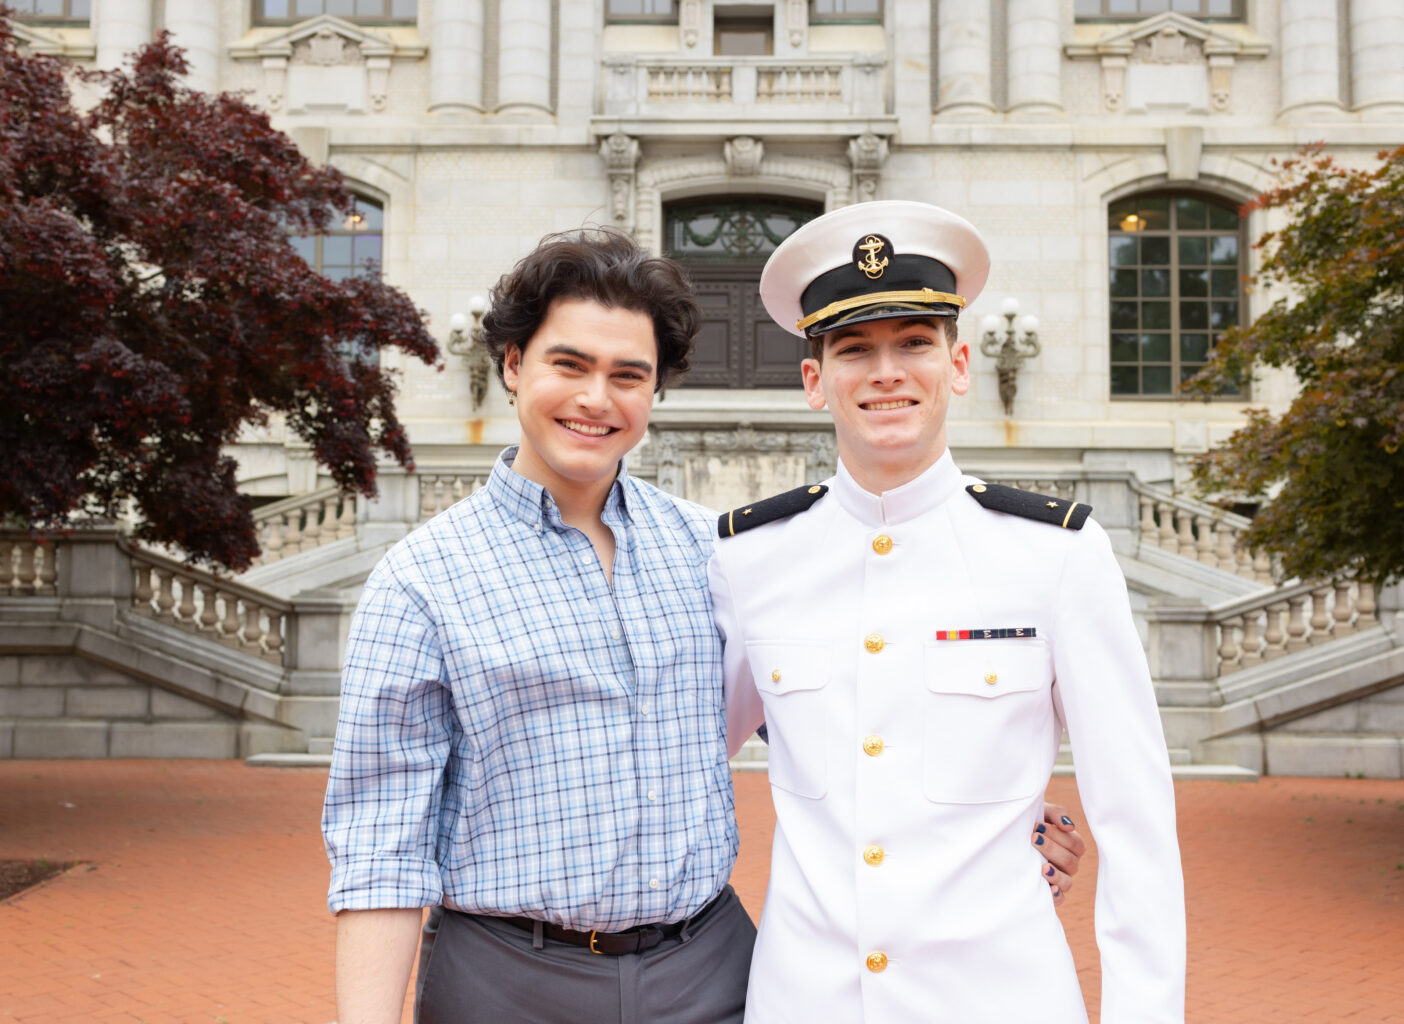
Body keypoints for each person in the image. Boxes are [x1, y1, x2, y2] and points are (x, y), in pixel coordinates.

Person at [321, 229, 1088, 1024]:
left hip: (709, 976)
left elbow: (840, 725)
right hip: (509, 979)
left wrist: (996, 824)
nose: (597, 400)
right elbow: (380, 851)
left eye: (628, 375)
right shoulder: (420, 583)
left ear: (654, 393)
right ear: (514, 366)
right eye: (569, 365)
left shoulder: (720, 555)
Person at [710, 201, 1185, 1023]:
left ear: (959, 365)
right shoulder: (751, 560)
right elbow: (683, 758)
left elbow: (1136, 818)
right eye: (854, 350)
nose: (887, 371)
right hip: (807, 1002)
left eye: (915, 345)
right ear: (815, 381)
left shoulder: (1056, 555)